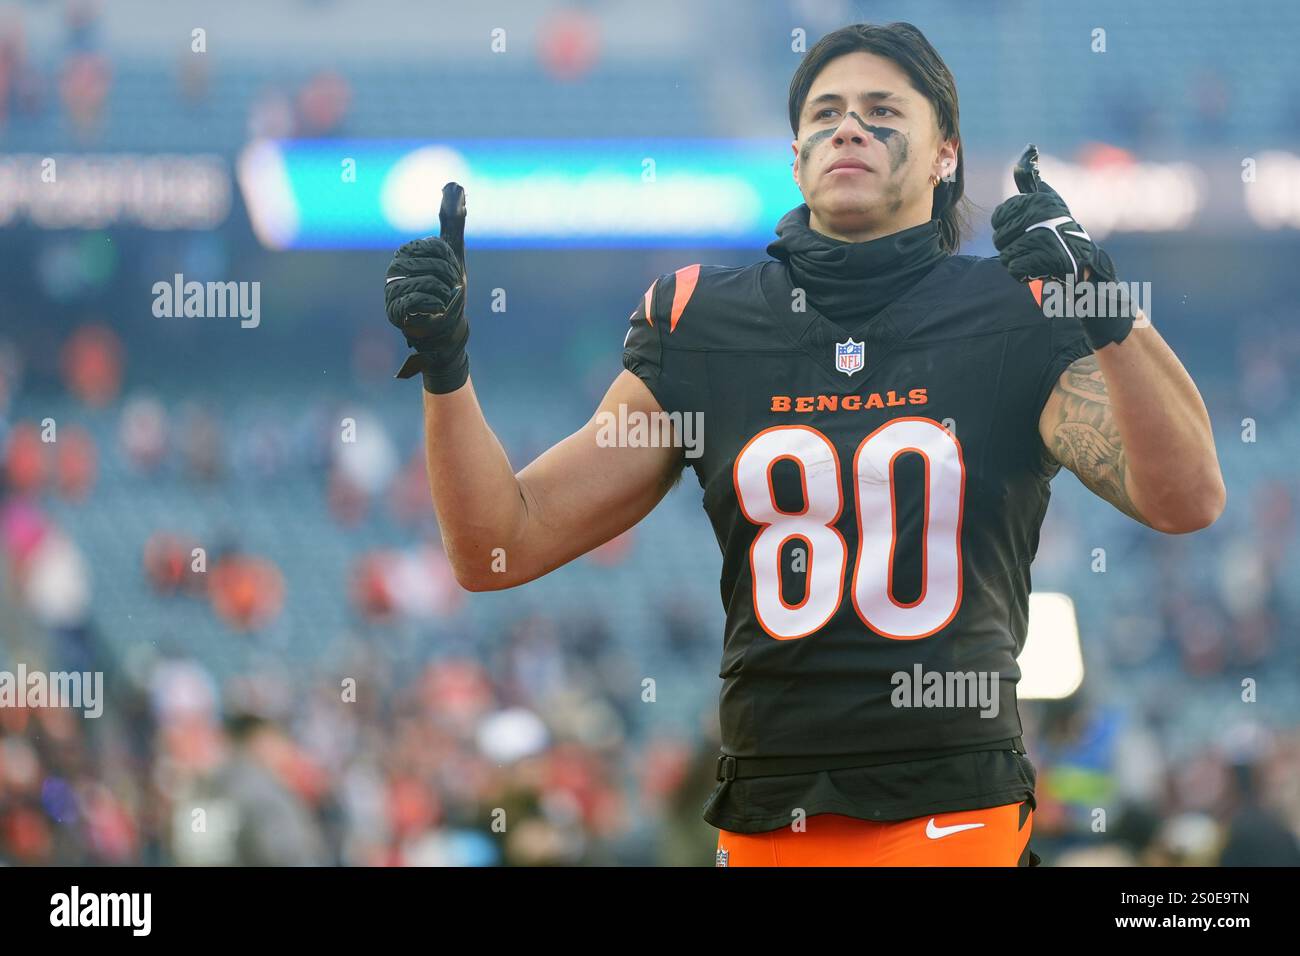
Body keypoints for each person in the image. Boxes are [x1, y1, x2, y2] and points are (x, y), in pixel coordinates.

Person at [381, 22, 1225, 866]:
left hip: (953, 799)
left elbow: (1186, 498)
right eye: (825, 112)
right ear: (795, 155)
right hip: (767, 807)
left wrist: (1107, 308)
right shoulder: (703, 319)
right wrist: (447, 371)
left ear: (945, 156)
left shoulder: (1013, 310)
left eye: (882, 110)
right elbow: (498, 545)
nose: (848, 127)